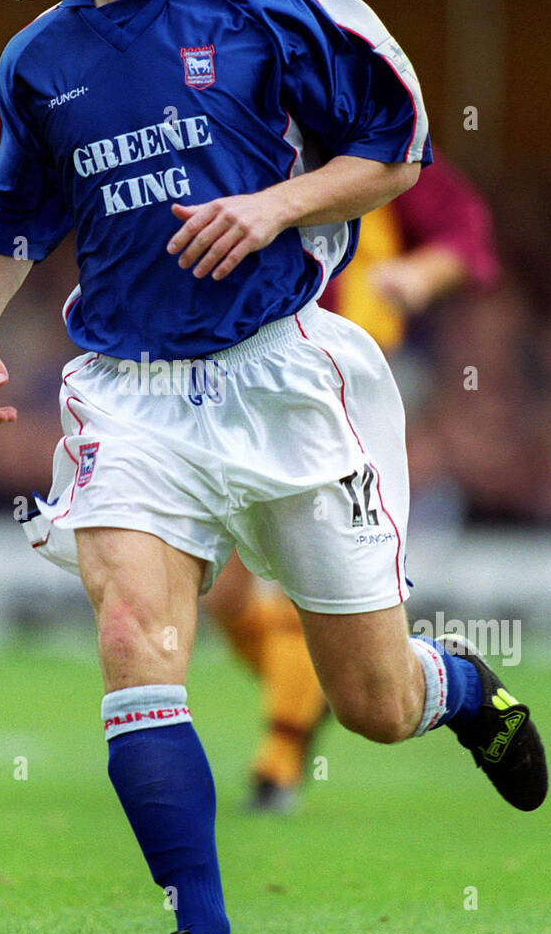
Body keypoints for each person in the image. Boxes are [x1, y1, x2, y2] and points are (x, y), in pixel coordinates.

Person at [0, 0, 547, 934]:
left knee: (372, 701)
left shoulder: (266, 1)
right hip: (123, 390)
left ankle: (461, 687)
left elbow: (396, 146)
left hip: (278, 372)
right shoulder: (41, 57)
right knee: (134, 634)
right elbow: (10, 206)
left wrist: (274, 203)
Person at [207, 148, 501, 812]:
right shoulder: (229, 128)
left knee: (300, 588)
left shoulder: (373, 141)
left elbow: (466, 231)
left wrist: (419, 275)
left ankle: (276, 761)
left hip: (347, 382)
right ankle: (329, 685)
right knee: (222, 593)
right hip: (238, 380)